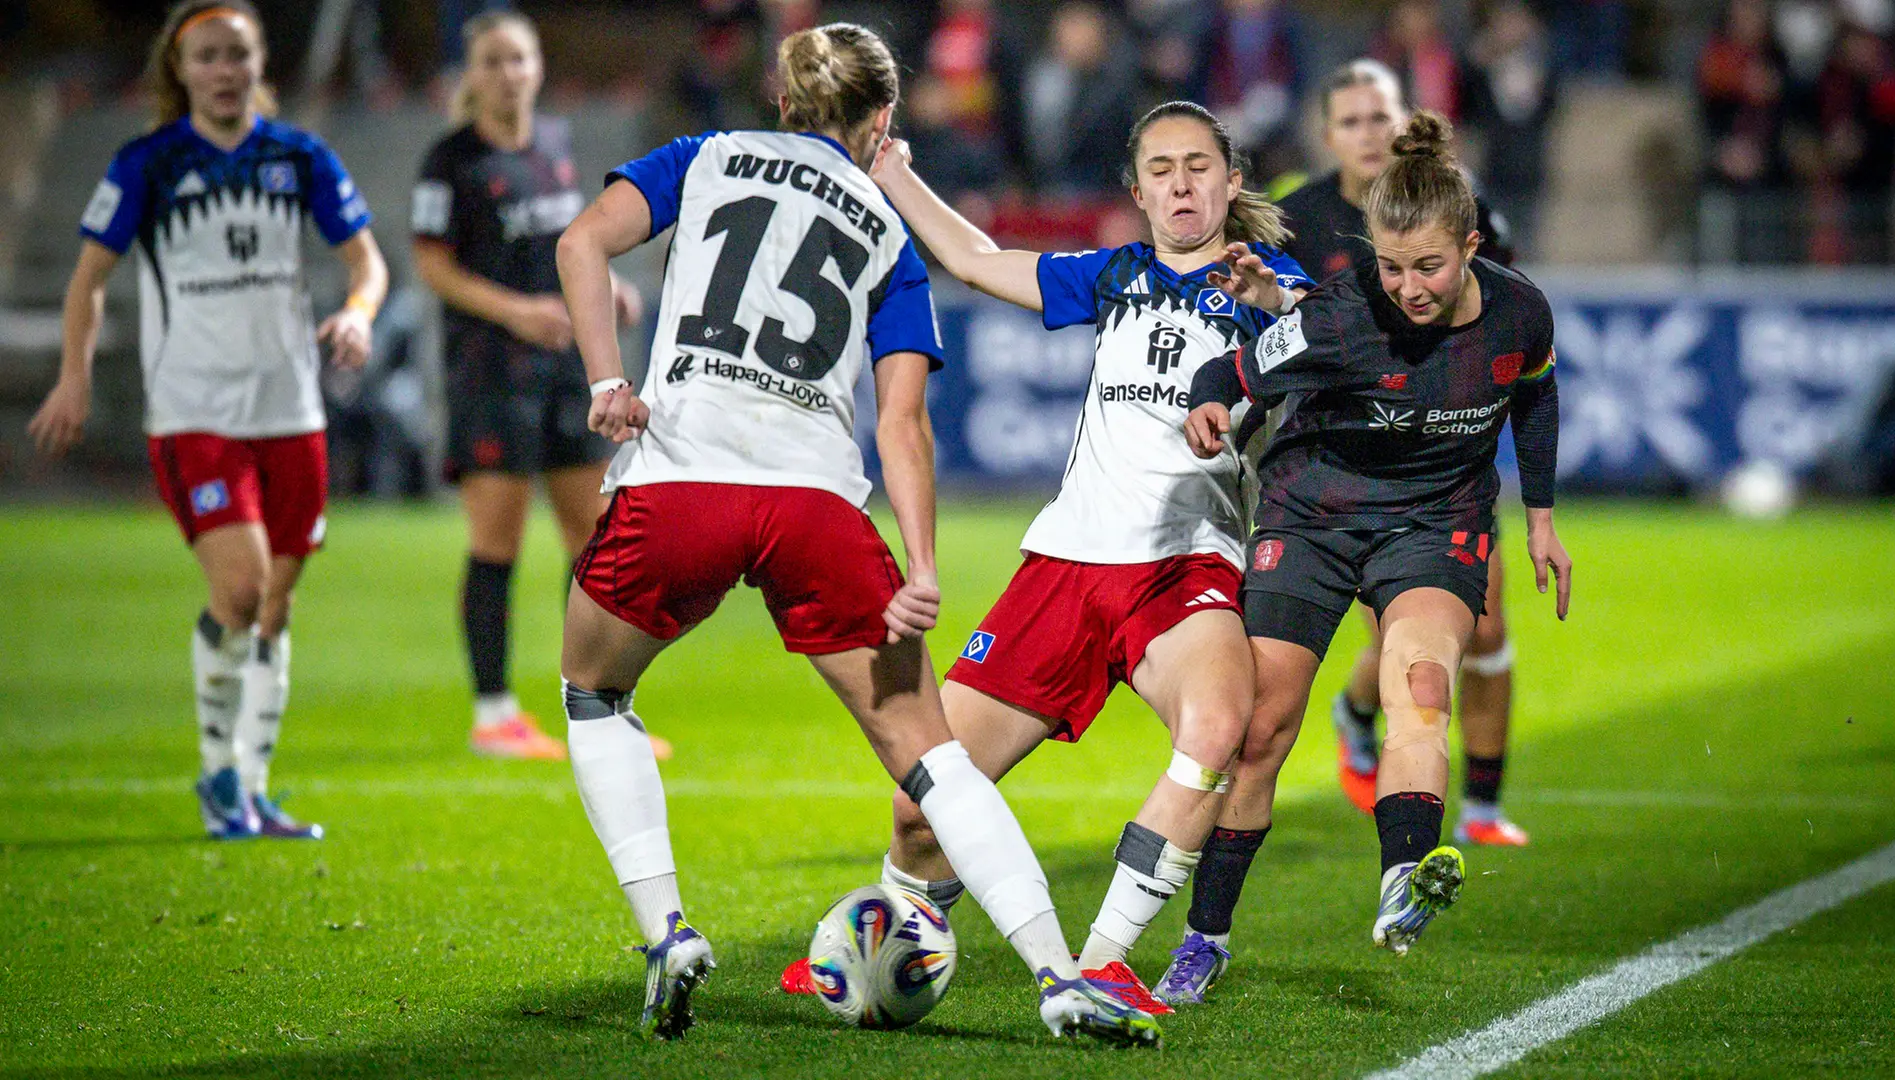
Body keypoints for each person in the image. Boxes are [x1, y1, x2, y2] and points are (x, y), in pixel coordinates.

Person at [551, 23, 1160, 1046]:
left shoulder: (700, 159)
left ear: (785, 104)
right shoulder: (887, 226)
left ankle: (666, 932)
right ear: (884, 121)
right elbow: (901, 422)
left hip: (683, 480)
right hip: (816, 509)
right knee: (933, 762)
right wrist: (920, 564)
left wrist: (609, 380)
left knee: (592, 691)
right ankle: (1059, 978)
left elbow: (579, 242)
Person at [775, 99, 1313, 1014]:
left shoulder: (1275, 285)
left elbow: (1321, 347)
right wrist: (894, 171)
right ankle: (881, 938)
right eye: (1161, 169)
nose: (1181, 184)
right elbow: (978, 262)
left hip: (1185, 566)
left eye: (1198, 166)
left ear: (1230, 180)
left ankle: (1103, 961)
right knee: (922, 802)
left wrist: (1277, 305)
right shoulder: (1114, 276)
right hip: (1064, 564)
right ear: (1138, 192)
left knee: (1216, 729)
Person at [1164, 111, 1570, 997]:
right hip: (1312, 515)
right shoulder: (1342, 319)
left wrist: (1539, 516)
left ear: (1470, 245)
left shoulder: (1521, 312)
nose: (1409, 287)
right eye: (1391, 267)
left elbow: (1535, 399)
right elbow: (1228, 375)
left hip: (1436, 521)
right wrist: (1206, 408)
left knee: (1420, 686)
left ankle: (1402, 880)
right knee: (1260, 729)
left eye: (1428, 266)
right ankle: (1204, 937)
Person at [27, 0, 389, 840]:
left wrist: (361, 312)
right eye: (208, 57)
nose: (225, 71)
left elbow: (365, 261)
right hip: (195, 411)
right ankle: (217, 775)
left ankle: (251, 789)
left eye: (238, 55)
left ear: (260, 66)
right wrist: (73, 380)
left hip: (291, 409)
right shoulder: (149, 162)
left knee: (276, 605)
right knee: (241, 587)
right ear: (179, 71)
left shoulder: (297, 157)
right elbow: (87, 281)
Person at [1276, 59, 1529, 850]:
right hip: (1342, 467)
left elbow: (1505, 317)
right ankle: (1367, 719)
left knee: (1479, 625)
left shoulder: (1463, 205)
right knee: (1412, 624)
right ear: (1327, 136)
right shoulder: (1295, 220)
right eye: (1350, 120)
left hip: (1447, 453)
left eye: (1379, 116)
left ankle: (1480, 807)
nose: (1367, 133)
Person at [411, 11, 668, 762]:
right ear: (473, 73)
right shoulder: (449, 160)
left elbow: (566, 244)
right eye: (492, 61)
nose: (507, 74)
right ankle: (493, 714)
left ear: (538, 67)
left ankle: (592, 709)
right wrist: (517, 312)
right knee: (497, 542)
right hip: (489, 373)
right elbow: (431, 265)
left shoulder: (554, 146)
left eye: (518, 60)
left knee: (591, 539)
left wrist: (608, 282)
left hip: (562, 374)